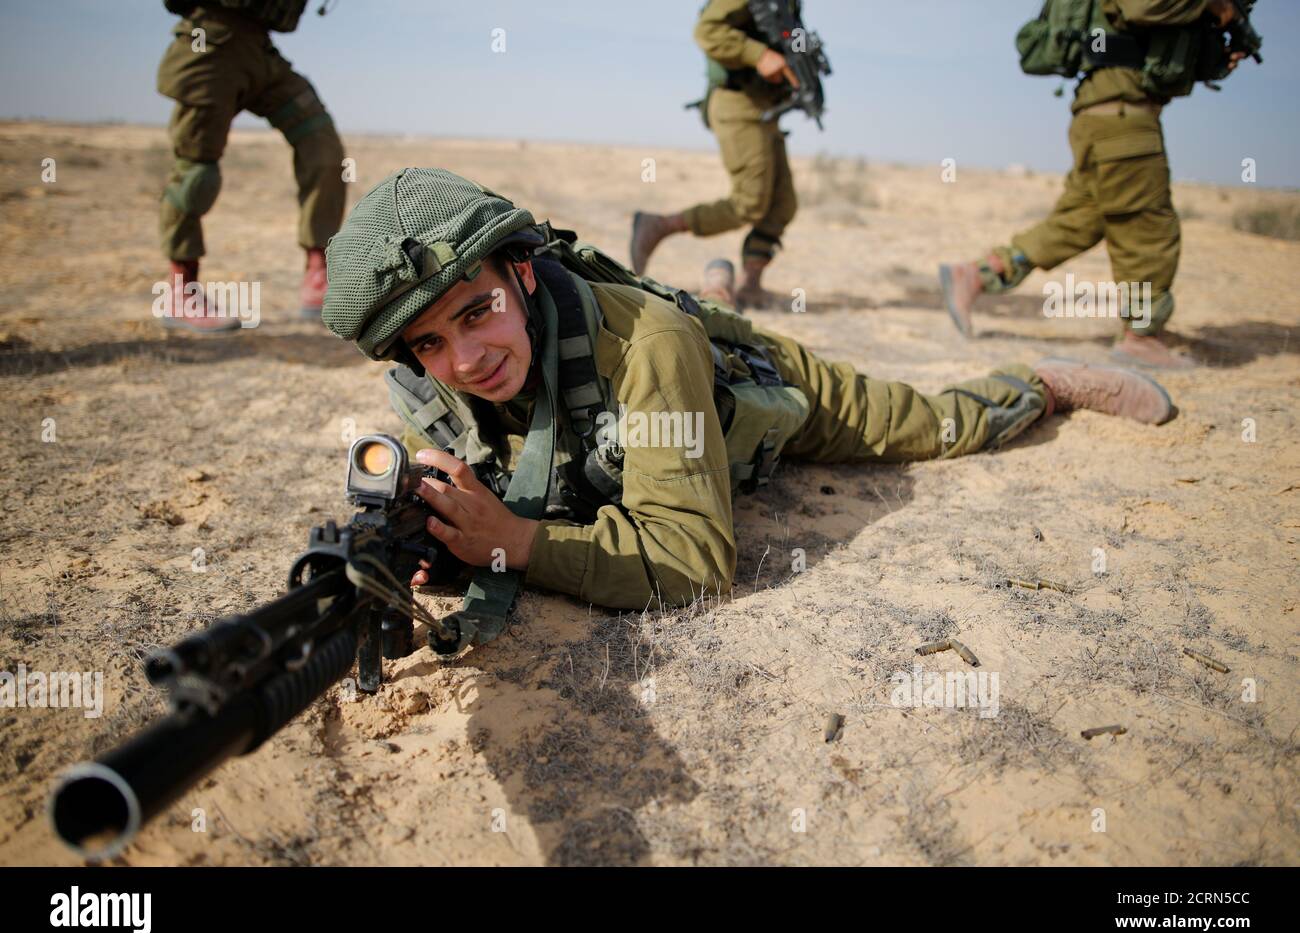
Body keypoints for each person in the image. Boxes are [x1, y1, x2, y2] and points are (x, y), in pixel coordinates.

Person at [322, 168, 1174, 618]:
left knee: (928, 426)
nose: (465, 360)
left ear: (522, 276)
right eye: (430, 342)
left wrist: (513, 543)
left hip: (754, 384)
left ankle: (1045, 385)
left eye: (480, 314)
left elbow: (694, 562)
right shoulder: (428, 385)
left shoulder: (646, 347)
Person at [939, 0, 1249, 369]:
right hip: (1122, 114)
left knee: (1081, 221)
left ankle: (979, 274)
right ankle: (1141, 336)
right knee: (1148, 226)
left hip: (1105, 112)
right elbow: (1143, 7)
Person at [155, 0, 346, 331]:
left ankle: (318, 276)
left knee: (324, 151)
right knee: (196, 173)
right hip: (210, 42)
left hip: (261, 50)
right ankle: (181, 289)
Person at [629, 0, 809, 310]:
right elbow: (708, 30)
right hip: (738, 105)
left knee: (782, 204)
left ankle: (750, 286)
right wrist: (759, 55)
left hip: (766, 108)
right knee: (749, 202)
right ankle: (659, 225)